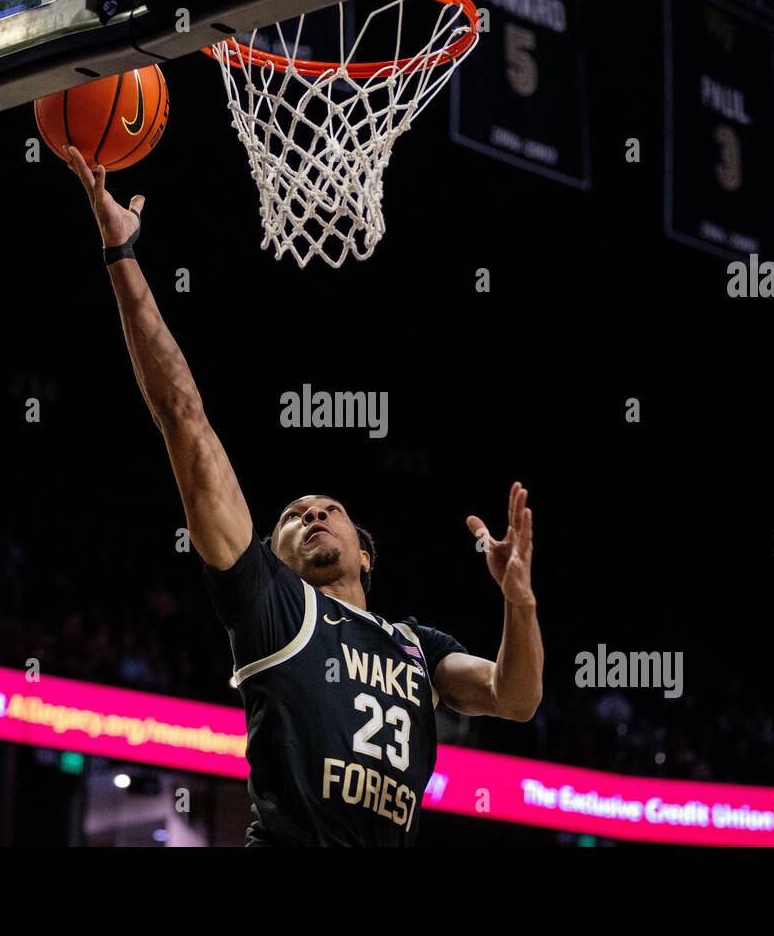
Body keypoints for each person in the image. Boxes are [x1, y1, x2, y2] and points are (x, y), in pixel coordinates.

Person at [67, 148, 543, 845]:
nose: (313, 514)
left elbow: (515, 696)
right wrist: (121, 255)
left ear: (367, 553)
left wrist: (520, 603)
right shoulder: (271, 604)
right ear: (272, 555)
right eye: (293, 516)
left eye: (330, 509)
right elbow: (183, 417)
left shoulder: (415, 646)